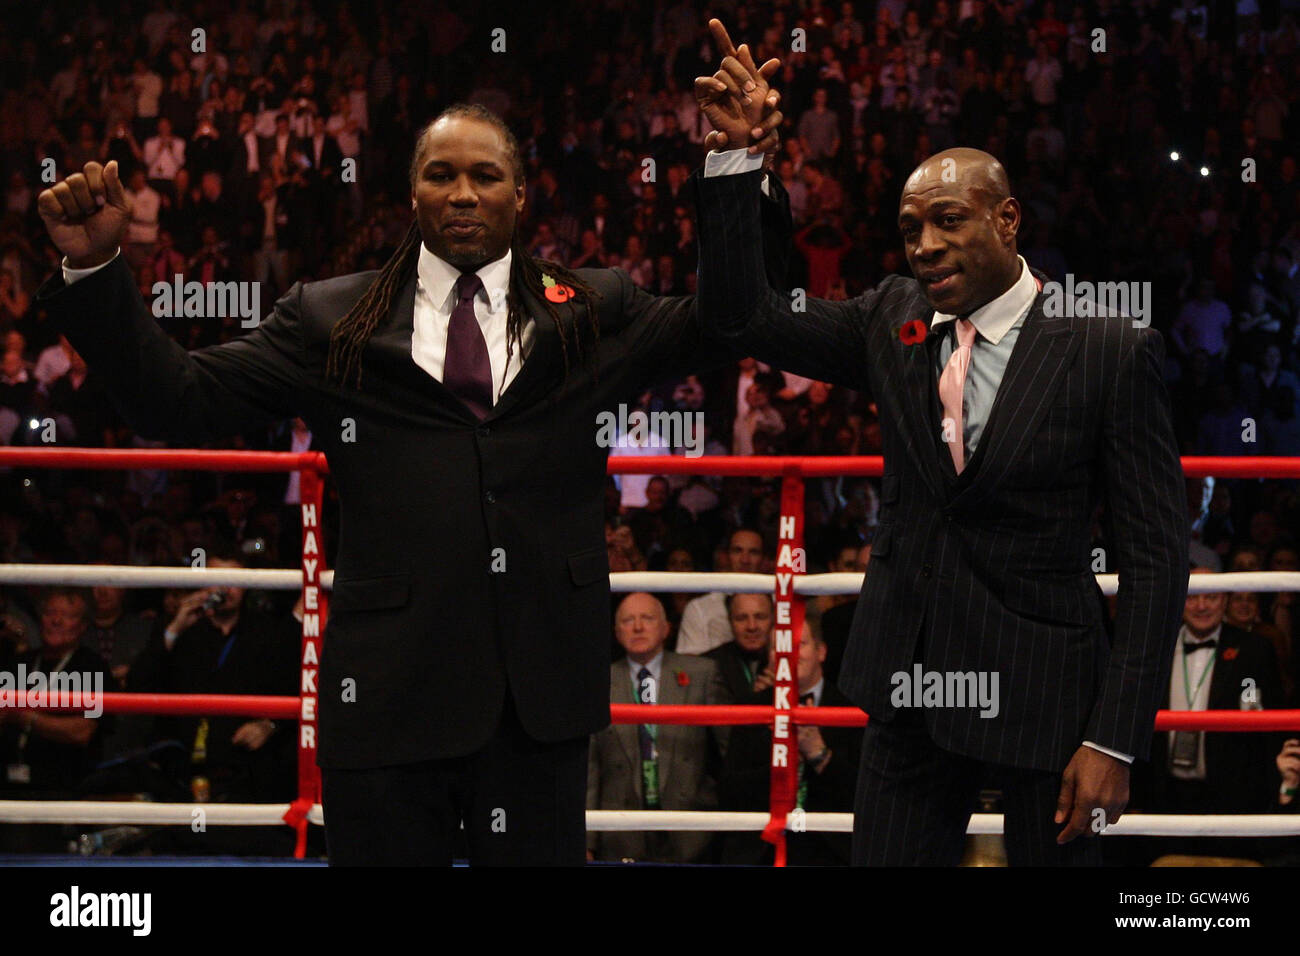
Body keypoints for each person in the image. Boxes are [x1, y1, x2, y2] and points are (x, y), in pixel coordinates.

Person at [34, 87, 784, 864]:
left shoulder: (591, 309)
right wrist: (94, 269)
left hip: (537, 707)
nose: (462, 193)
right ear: (412, 190)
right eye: (440, 174)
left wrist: (733, 168)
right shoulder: (330, 319)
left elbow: (727, 322)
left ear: (522, 194)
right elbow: (177, 402)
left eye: (486, 175)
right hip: (388, 699)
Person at [692, 18, 1188, 865]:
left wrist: (1115, 739)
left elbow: (1154, 555)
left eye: (948, 221)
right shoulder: (895, 316)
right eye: (911, 226)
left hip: (1049, 699)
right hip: (907, 686)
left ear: (1007, 219)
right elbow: (744, 315)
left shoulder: (1107, 346)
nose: (923, 245)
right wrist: (741, 164)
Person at [586, 593, 727, 863]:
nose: (638, 627)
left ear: (666, 629)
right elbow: (590, 768)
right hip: (621, 831)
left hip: (691, 828)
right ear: (616, 632)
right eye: (628, 620)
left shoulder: (702, 674)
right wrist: (587, 839)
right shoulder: (600, 682)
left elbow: (727, 753)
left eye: (647, 618)